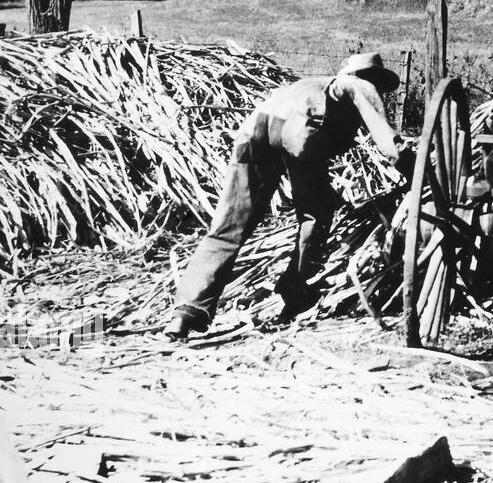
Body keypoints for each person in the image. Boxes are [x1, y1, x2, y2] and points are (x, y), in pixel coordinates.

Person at [166, 53, 409, 340]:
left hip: (254, 132)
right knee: (316, 213)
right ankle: (294, 285)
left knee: (228, 225)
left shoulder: (311, 85)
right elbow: (389, 145)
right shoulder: (358, 86)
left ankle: (186, 311)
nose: (379, 88)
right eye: (379, 82)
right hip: (298, 136)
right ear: (370, 76)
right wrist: (411, 166)